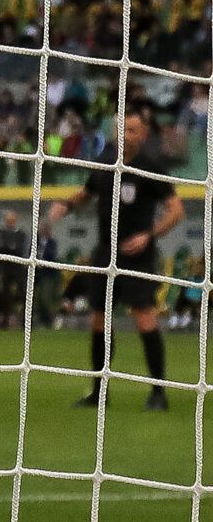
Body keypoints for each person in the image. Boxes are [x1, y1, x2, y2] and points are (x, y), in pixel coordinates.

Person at [48, 107, 184, 409]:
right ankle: (99, 393)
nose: (125, 135)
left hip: (138, 258)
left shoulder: (151, 168)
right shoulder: (104, 164)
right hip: (104, 254)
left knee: (145, 319)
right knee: (99, 321)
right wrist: (65, 206)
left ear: (143, 134)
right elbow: (86, 194)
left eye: (132, 130)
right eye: (121, 129)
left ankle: (158, 393)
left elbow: (176, 211)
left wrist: (149, 235)